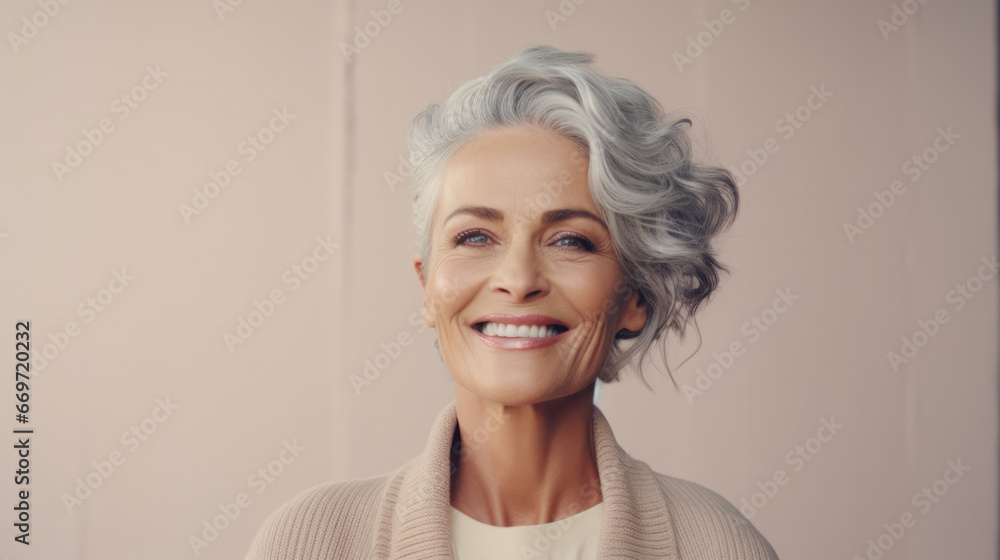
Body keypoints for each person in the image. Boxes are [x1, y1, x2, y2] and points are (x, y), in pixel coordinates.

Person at [246, 45, 779, 559]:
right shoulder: (309, 543)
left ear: (635, 296)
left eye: (571, 240)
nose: (518, 279)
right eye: (475, 237)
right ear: (427, 287)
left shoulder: (719, 545)